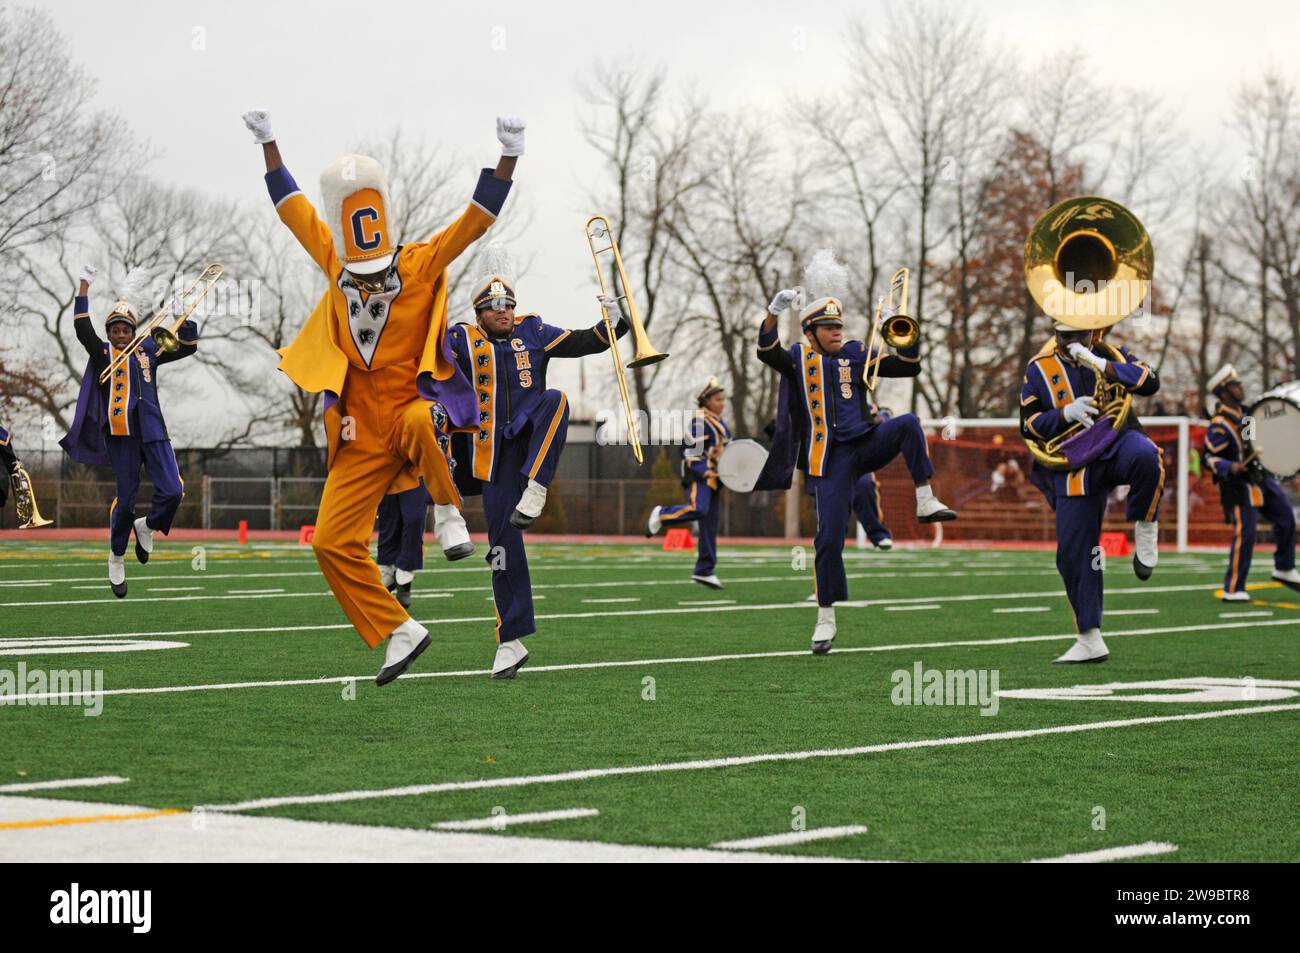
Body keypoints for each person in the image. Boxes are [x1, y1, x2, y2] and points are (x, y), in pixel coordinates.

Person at [242, 107, 522, 685]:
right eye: (357, 273)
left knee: (422, 425)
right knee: (329, 542)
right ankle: (400, 629)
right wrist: (270, 145)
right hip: (362, 434)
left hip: (410, 409)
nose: (367, 283)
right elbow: (294, 212)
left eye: (375, 273)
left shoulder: (417, 266)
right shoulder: (335, 264)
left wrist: (509, 155)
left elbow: (473, 222)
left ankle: (447, 510)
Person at [754, 249, 956, 655]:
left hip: (864, 444)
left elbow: (909, 365)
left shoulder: (856, 353)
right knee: (827, 539)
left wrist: (902, 332)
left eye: (839, 326)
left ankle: (924, 497)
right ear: (810, 331)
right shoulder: (798, 357)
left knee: (910, 423)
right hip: (829, 459)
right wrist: (772, 315)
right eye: (828, 328)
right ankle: (825, 618)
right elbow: (765, 351)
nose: (837, 332)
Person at [447, 246, 628, 678]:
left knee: (555, 399)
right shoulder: (460, 339)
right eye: (493, 306)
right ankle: (510, 641)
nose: (504, 310)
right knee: (502, 549)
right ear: (478, 313)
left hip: (530, 438)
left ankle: (538, 488)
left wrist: (614, 319)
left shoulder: (535, 330)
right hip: (491, 457)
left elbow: (589, 341)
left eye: (508, 303)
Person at [1020, 322, 1163, 663]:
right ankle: (1089, 637)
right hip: (1073, 459)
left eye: (1080, 336)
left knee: (1147, 456)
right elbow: (1028, 424)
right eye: (1065, 336)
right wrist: (1063, 414)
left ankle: (1145, 525)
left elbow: (1151, 381)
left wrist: (1102, 365)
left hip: (1116, 443)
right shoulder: (1038, 368)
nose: (1072, 343)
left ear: (1092, 333)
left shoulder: (1111, 353)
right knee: (1075, 551)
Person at [60, 265, 195, 597]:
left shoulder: (147, 349)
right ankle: (117, 554)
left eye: (126, 330)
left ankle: (147, 526)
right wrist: (84, 285)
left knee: (173, 491)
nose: (121, 335)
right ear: (109, 333)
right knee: (127, 500)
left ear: (134, 330)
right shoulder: (103, 353)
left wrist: (183, 314)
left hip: (153, 429)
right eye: (116, 330)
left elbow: (188, 344)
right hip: (121, 435)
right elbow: (81, 328)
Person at [1202, 364, 1300, 600]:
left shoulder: (1248, 415)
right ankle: (1233, 588)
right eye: (1235, 385)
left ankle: (1284, 567)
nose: (1240, 387)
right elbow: (1209, 457)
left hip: (1259, 478)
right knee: (1246, 532)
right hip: (1237, 484)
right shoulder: (1219, 424)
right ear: (1224, 392)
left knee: (1286, 516)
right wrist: (1231, 466)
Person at [646, 377, 733, 588]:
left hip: (713, 480)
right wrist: (705, 472)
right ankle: (662, 514)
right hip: (699, 476)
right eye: (718, 399)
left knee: (709, 526)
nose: (722, 403)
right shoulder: (700, 421)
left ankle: (704, 570)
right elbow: (690, 453)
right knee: (699, 509)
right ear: (706, 401)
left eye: (723, 399)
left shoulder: (720, 423)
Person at [375, 474, 432, 609]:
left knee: (414, 518)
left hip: (416, 467)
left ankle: (406, 572)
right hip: (386, 466)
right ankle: (387, 567)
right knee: (388, 517)